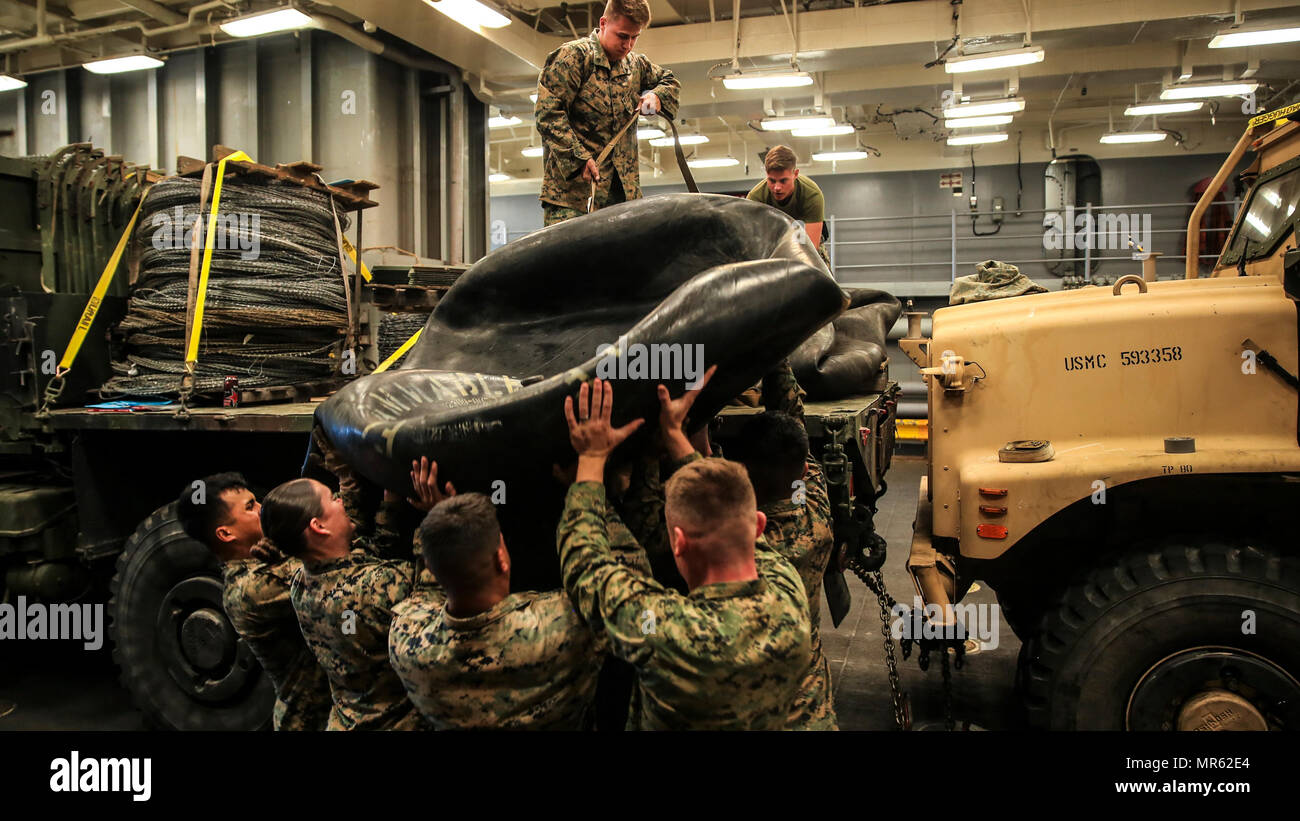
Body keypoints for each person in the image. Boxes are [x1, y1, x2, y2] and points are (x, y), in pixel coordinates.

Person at [557, 374, 812, 729]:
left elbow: (586, 567)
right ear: (758, 526)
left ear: (678, 543)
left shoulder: (671, 634)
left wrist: (592, 459)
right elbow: (726, 507)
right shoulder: (789, 594)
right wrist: (675, 435)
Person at [388, 493, 607, 730]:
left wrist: (445, 523)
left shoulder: (405, 642)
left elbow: (425, 594)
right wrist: (589, 494)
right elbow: (622, 585)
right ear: (501, 557)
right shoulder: (567, 624)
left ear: (431, 568)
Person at [261, 461, 452, 731]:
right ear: (318, 527)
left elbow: (366, 558)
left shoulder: (301, 584)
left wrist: (391, 503)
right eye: (332, 498)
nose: (340, 501)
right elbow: (433, 594)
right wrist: (438, 518)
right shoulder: (374, 588)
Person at [177, 472, 331, 731]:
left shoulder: (265, 563)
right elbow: (332, 571)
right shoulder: (251, 589)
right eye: (251, 507)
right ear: (226, 533)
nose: (262, 509)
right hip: (311, 722)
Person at [735, 407, 838, 730]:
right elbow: (805, 467)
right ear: (803, 470)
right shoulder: (816, 518)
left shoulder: (737, 545)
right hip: (810, 710)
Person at [535, 0, 680, 226]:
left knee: (625, 262)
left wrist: (657, 96)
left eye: (635, 37)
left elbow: (670, 81)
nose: (628, 45)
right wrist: (578, 157)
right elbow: (548, 115)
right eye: (622, 36)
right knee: (572, 261)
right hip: (573, 199)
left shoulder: (636, 66)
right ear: (603, 23)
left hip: (623, 199)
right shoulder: (573, 58)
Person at [747, 145, 831, 265]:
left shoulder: (811, 194)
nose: (777, 188)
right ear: (766, 174)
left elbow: (812, 248)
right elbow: (753, 243)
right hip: (772, 240)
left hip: (803, 237)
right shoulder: (756, 198)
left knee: (820, 271)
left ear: (795, 174)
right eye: (772, 180)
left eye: (783, 181)